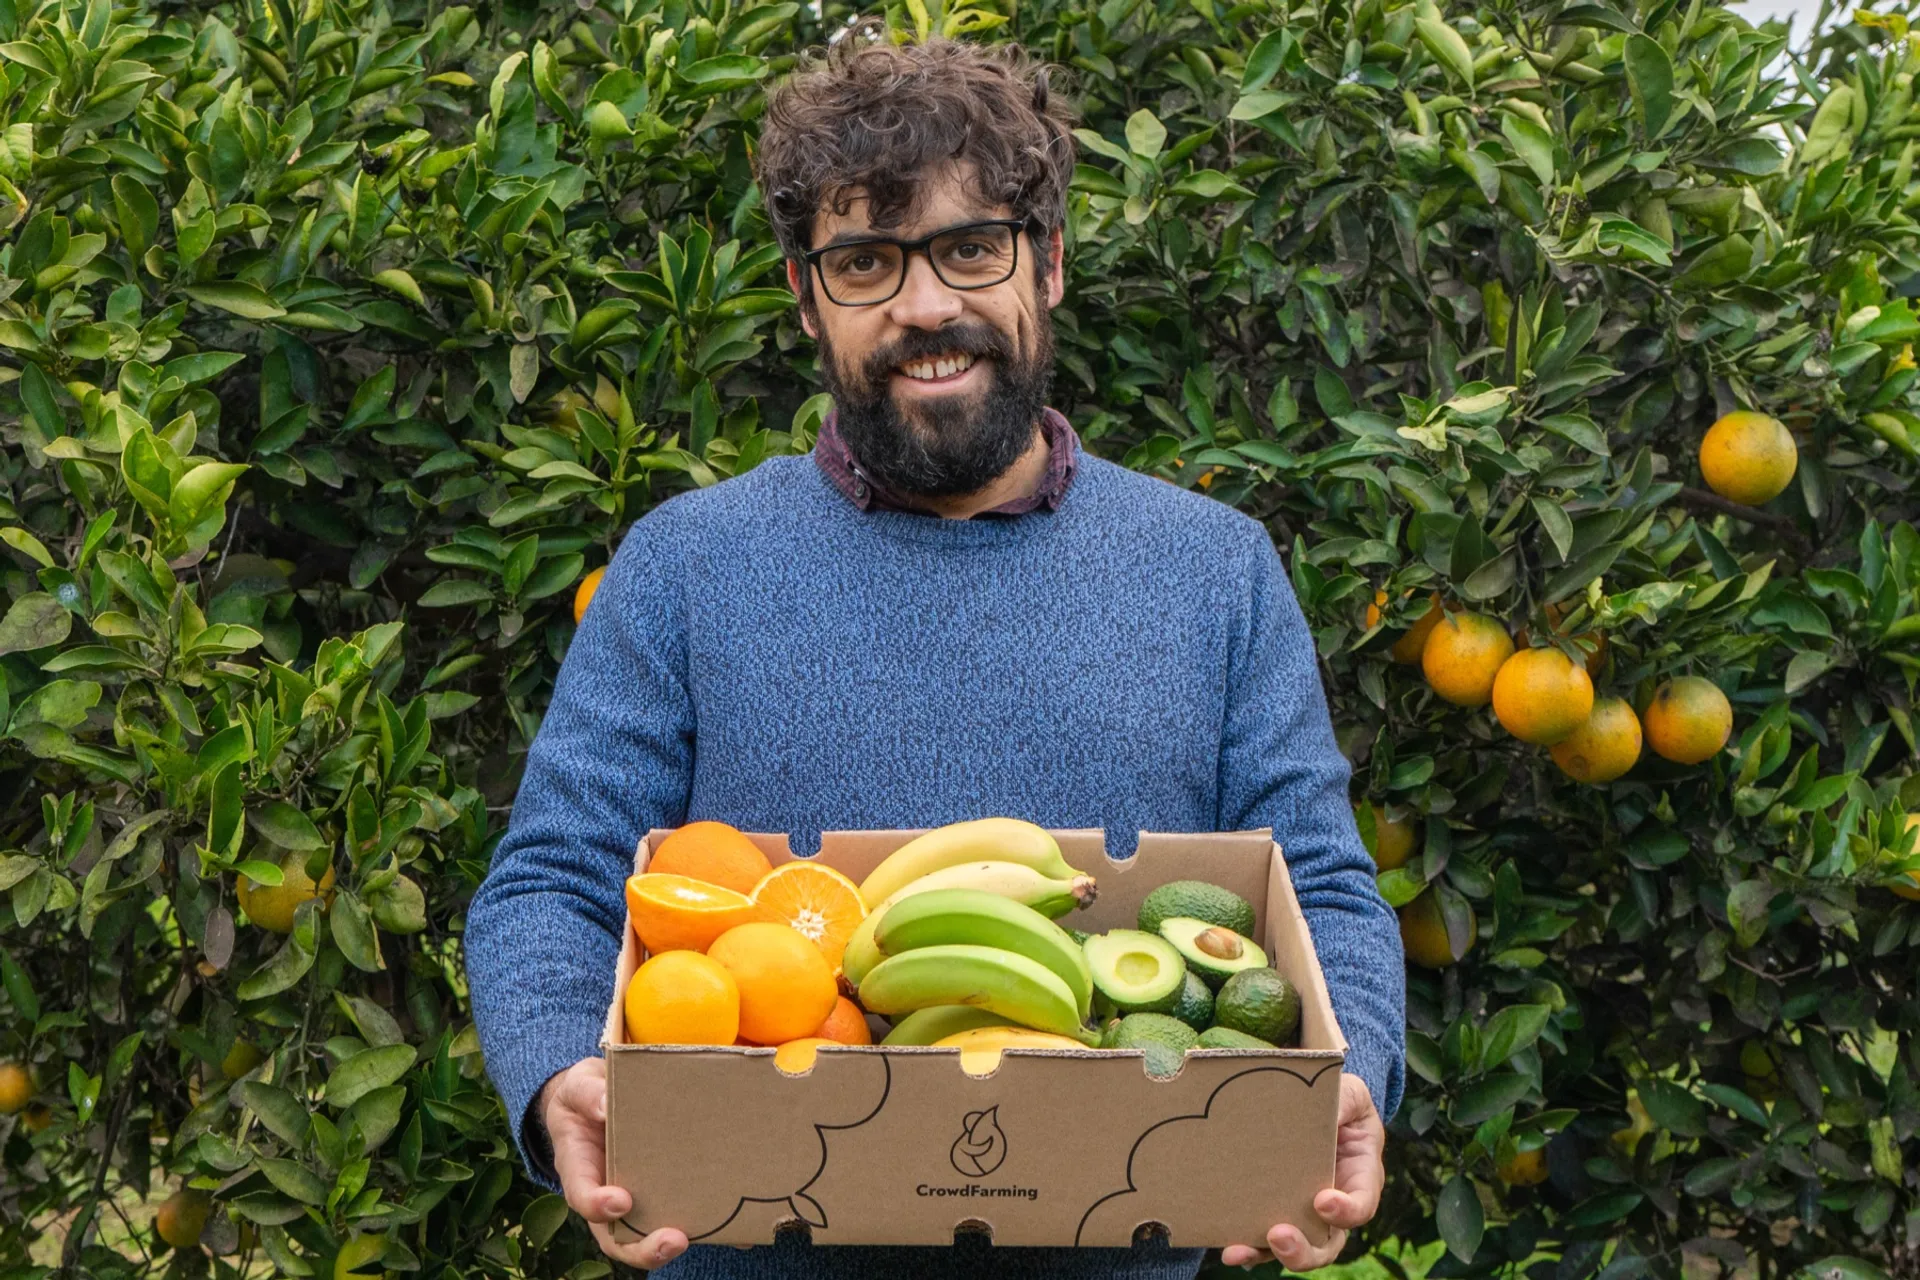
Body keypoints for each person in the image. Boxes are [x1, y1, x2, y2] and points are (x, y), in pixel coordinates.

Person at [464, 22, 1405, 1279]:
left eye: (971, 246)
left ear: (1049, 264)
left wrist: (1352, 1080)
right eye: (865, 261)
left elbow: (1324, 890)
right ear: (807, 297)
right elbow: (553, 881)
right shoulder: (686, 564)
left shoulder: (1214, 569)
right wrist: (557, 1070)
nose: (925, 306)